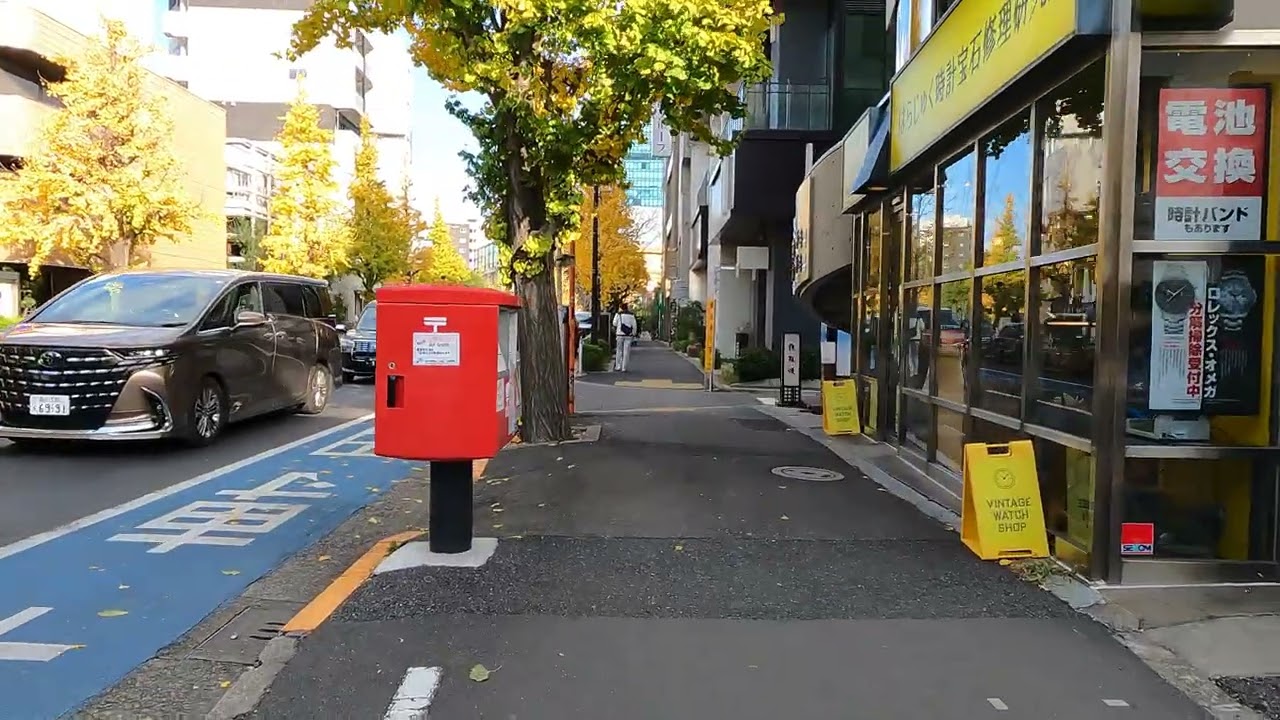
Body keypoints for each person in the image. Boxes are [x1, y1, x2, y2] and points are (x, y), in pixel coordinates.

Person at [612, 303, 637, 372]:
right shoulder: (631, 315)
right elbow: (634, 325)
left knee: (619, 350)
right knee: (626, 351)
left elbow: (614, 323)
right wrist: (634, 333)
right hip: (628, 335)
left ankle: (618, 366)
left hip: (619, 334)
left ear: (621, 308)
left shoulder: (618, 314)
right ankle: (624, 367)